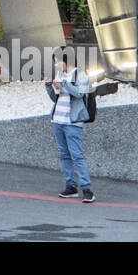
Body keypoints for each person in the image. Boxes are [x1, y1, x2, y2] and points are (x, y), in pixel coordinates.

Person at [44, 51, 94, 203]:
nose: (56, 65)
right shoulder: (61, 75)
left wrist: (64, 83)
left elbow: (79, 94)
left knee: (77, 155)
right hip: (58, 119)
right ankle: (70, 186)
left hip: (73, 122)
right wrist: (49, 87)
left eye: (57, 61)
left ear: (66, 60)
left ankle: (87, 189)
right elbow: (56, 98)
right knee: (64, 154)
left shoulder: (80, 75)